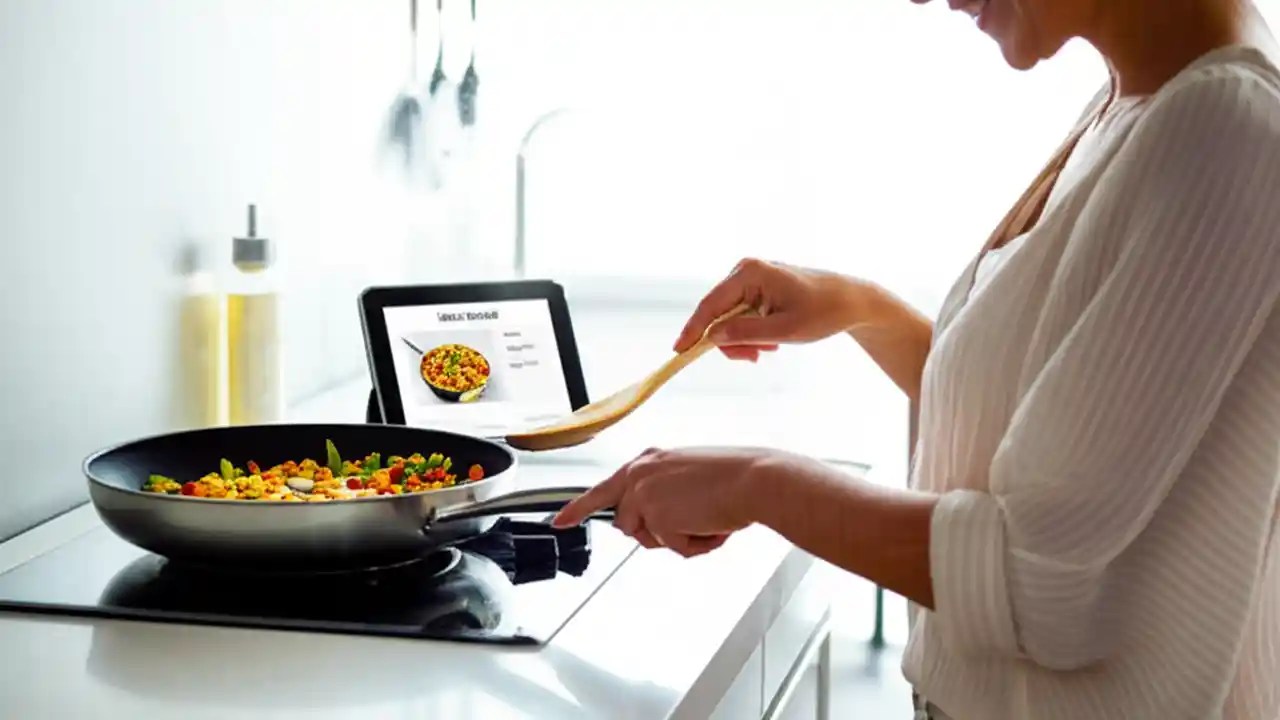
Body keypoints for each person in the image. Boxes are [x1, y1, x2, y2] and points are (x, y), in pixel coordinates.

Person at [551, 0, 1280, 718]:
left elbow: (1036, 579)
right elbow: (1048, 440)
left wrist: (754, 483)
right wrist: (861, 308)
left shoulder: (1225, 130)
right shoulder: (1141, 97)